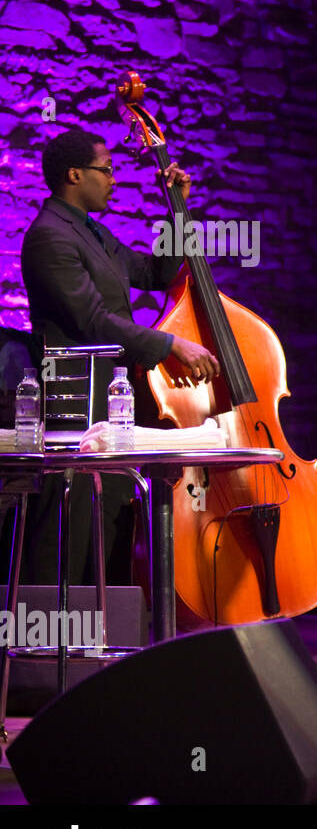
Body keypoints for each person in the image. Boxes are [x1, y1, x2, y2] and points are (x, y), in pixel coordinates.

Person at [19, 127, 219, 585]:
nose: (114, 179)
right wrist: (170, 345)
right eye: (106, 170)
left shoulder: (94, 233)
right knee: (70, 531)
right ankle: (50, 645)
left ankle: (105, 640)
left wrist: (177, 210)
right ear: (75, 174)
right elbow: (92, 319)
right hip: (74, 400)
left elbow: (154, 273)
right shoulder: (51, 236)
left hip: (106, 400)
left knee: (108, 524)